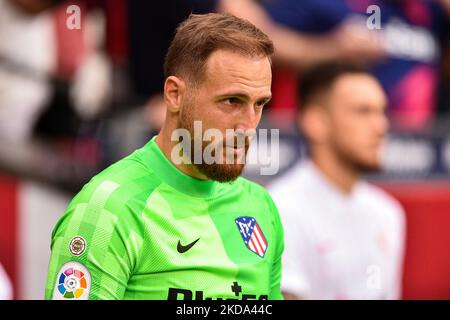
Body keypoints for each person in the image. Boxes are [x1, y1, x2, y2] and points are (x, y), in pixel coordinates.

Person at [45, 13, 284, 300]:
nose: (248, 126)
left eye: (260, 104)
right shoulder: (110, 207)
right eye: (232, 101)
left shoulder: (261, 207)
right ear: (174, 94)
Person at [268, 62, 405, 299]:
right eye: (363, 111)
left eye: (382, 111)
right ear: (316, 122)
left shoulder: (388, 212)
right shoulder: (279, 209)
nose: (381, 126)